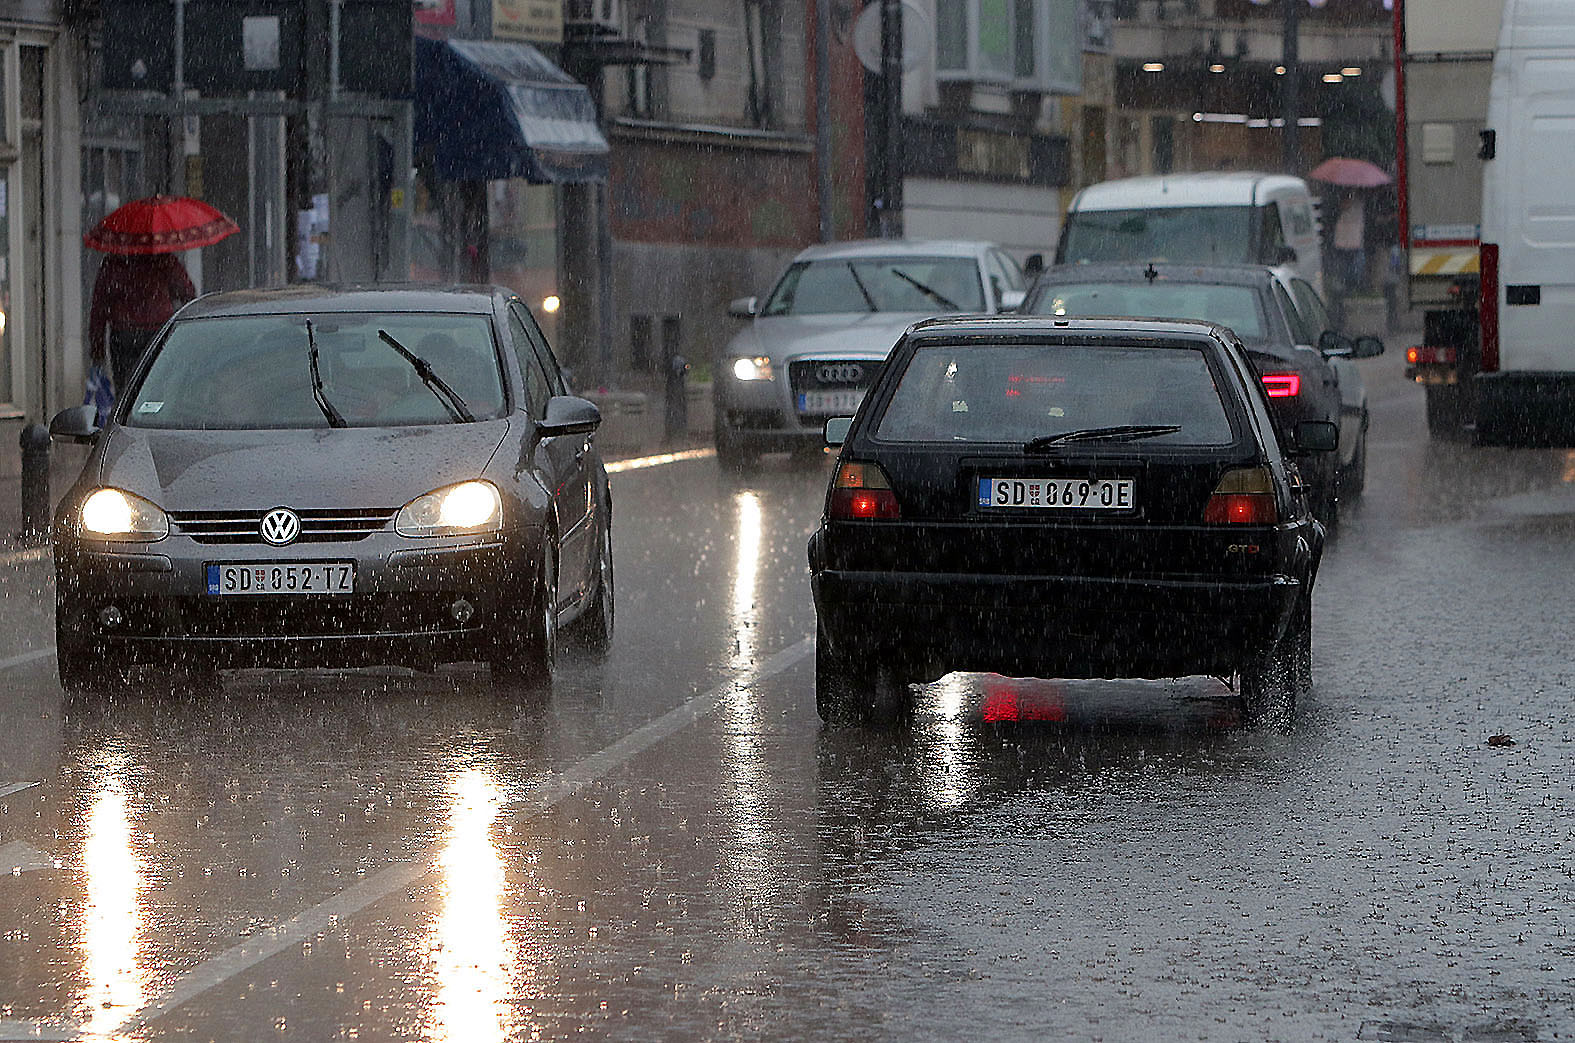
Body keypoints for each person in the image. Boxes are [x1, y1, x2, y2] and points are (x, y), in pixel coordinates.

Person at [88, 252, 196, 390]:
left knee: (126, 389)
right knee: (158, 387)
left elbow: (99, 308)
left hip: (124, 334)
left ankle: (127, 410)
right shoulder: (164, 259)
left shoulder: (113, 262)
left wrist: (97, 349)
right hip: (158, 332)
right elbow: (187, 292)